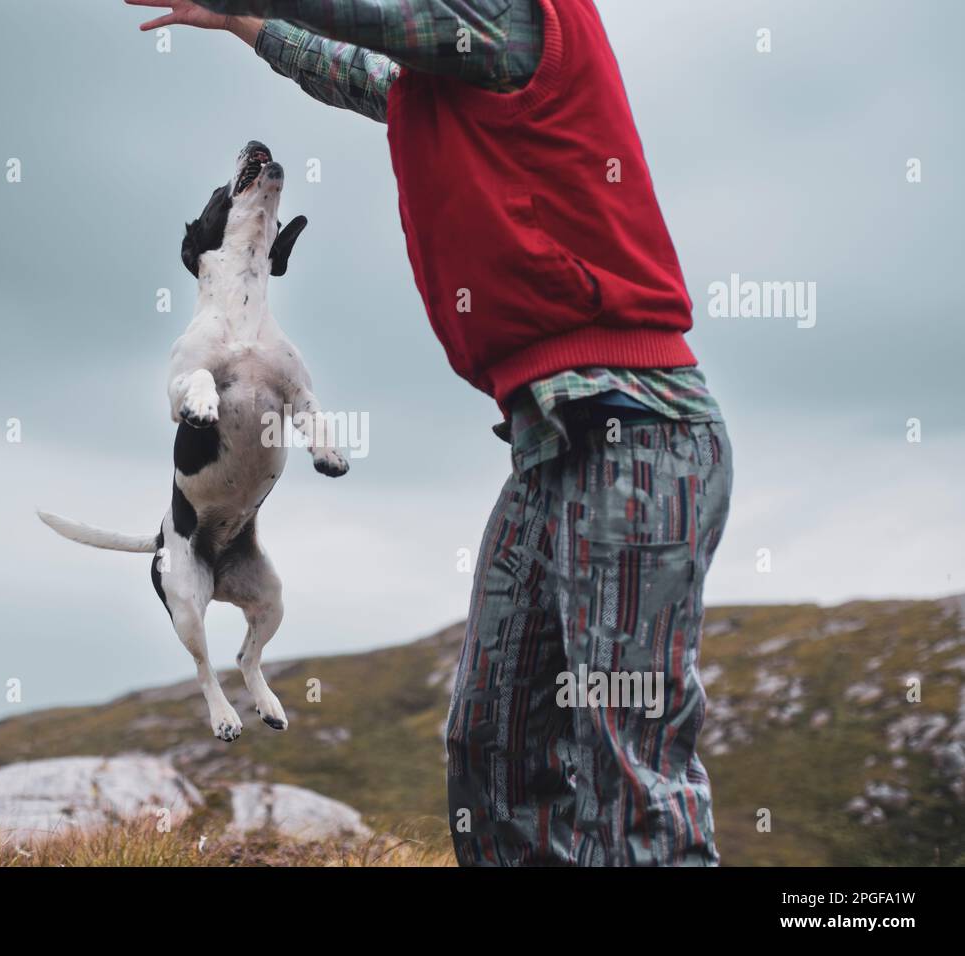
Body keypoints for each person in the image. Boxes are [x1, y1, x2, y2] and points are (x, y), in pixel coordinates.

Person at [128, 0, 733, 867]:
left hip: (638, 427)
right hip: (548, 447)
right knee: (490, 747)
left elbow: (378, 23)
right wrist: (243, 24)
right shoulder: (457, 71)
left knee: (624, 764)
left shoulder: (516, 19)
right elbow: (363, 72)